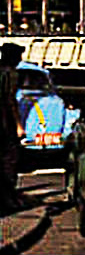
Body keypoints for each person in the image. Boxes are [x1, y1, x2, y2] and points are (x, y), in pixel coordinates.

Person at [0, 43, 26, 214]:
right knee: (10, 159)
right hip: (4, 122)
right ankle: (8, 199)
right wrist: (18, 125)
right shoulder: (11, 74)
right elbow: (11, 101)